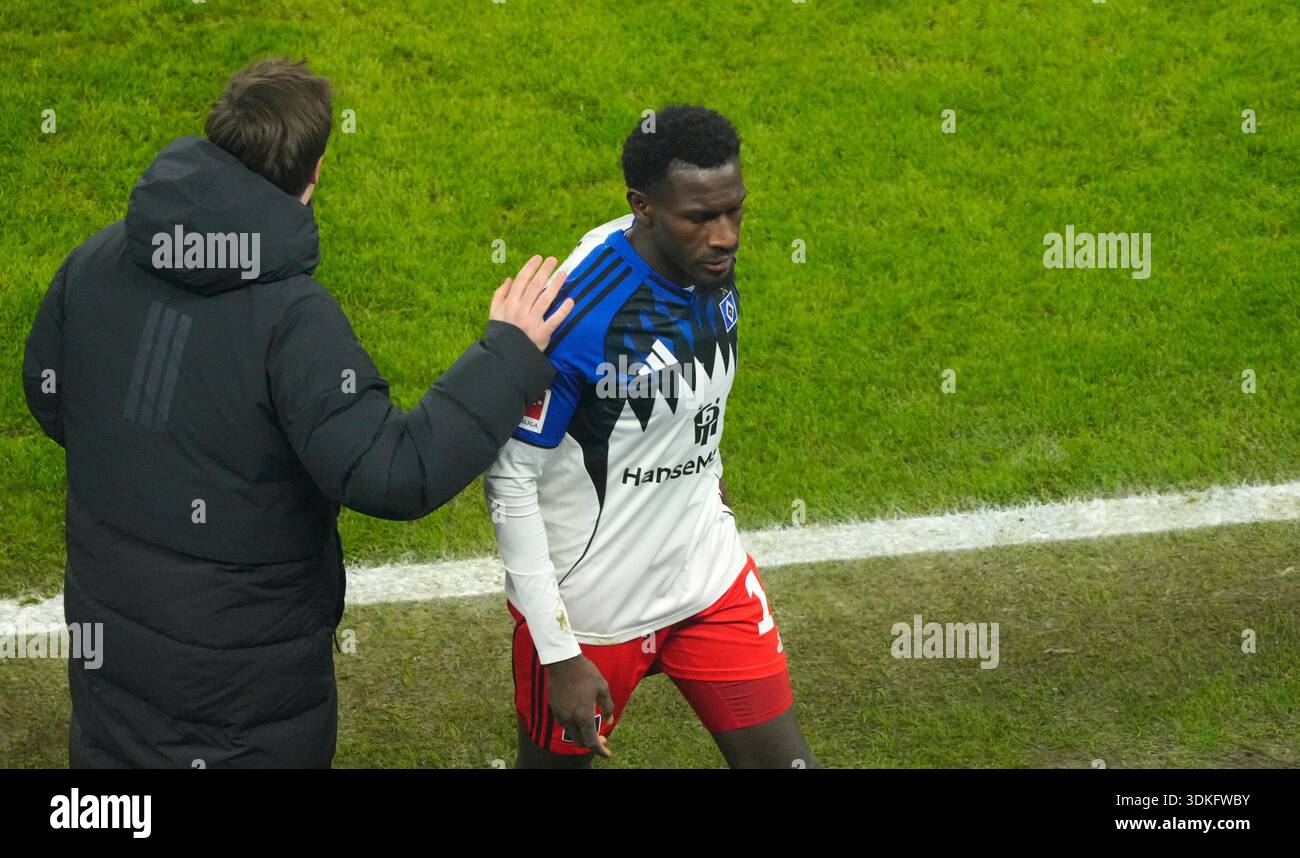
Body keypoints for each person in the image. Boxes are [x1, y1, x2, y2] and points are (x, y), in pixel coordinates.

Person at [21, 56, 573, 768]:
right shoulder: (293, 319)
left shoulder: (97, 256)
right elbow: (394, 473)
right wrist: (506, 357)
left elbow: (49, 393)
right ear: (313, 177)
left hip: (112, 635)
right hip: (245, 681)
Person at [485, 105, 817, 768]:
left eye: (735, 211)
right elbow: (509, 479)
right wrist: (558, 652)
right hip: (591, 613)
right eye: (700, 217)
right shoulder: (576, 312)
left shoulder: (707, 266)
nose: (726, 236)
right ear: (642, 207)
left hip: (707, 578)